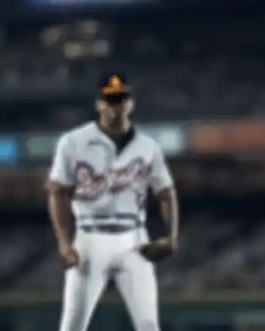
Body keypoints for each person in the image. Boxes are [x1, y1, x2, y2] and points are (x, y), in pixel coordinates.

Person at [46, 73, 180, 331]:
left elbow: (167, 192)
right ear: (99, 103)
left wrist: (171, 237)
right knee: (72, 325)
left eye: (122, 98)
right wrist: (64, 244)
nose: (117, 104)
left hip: (134, 239)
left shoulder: (148, 146)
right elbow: (57, 192)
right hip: (89, 237)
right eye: (111, 99)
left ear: (131, 103)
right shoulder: (74, 142)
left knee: (149, 325)